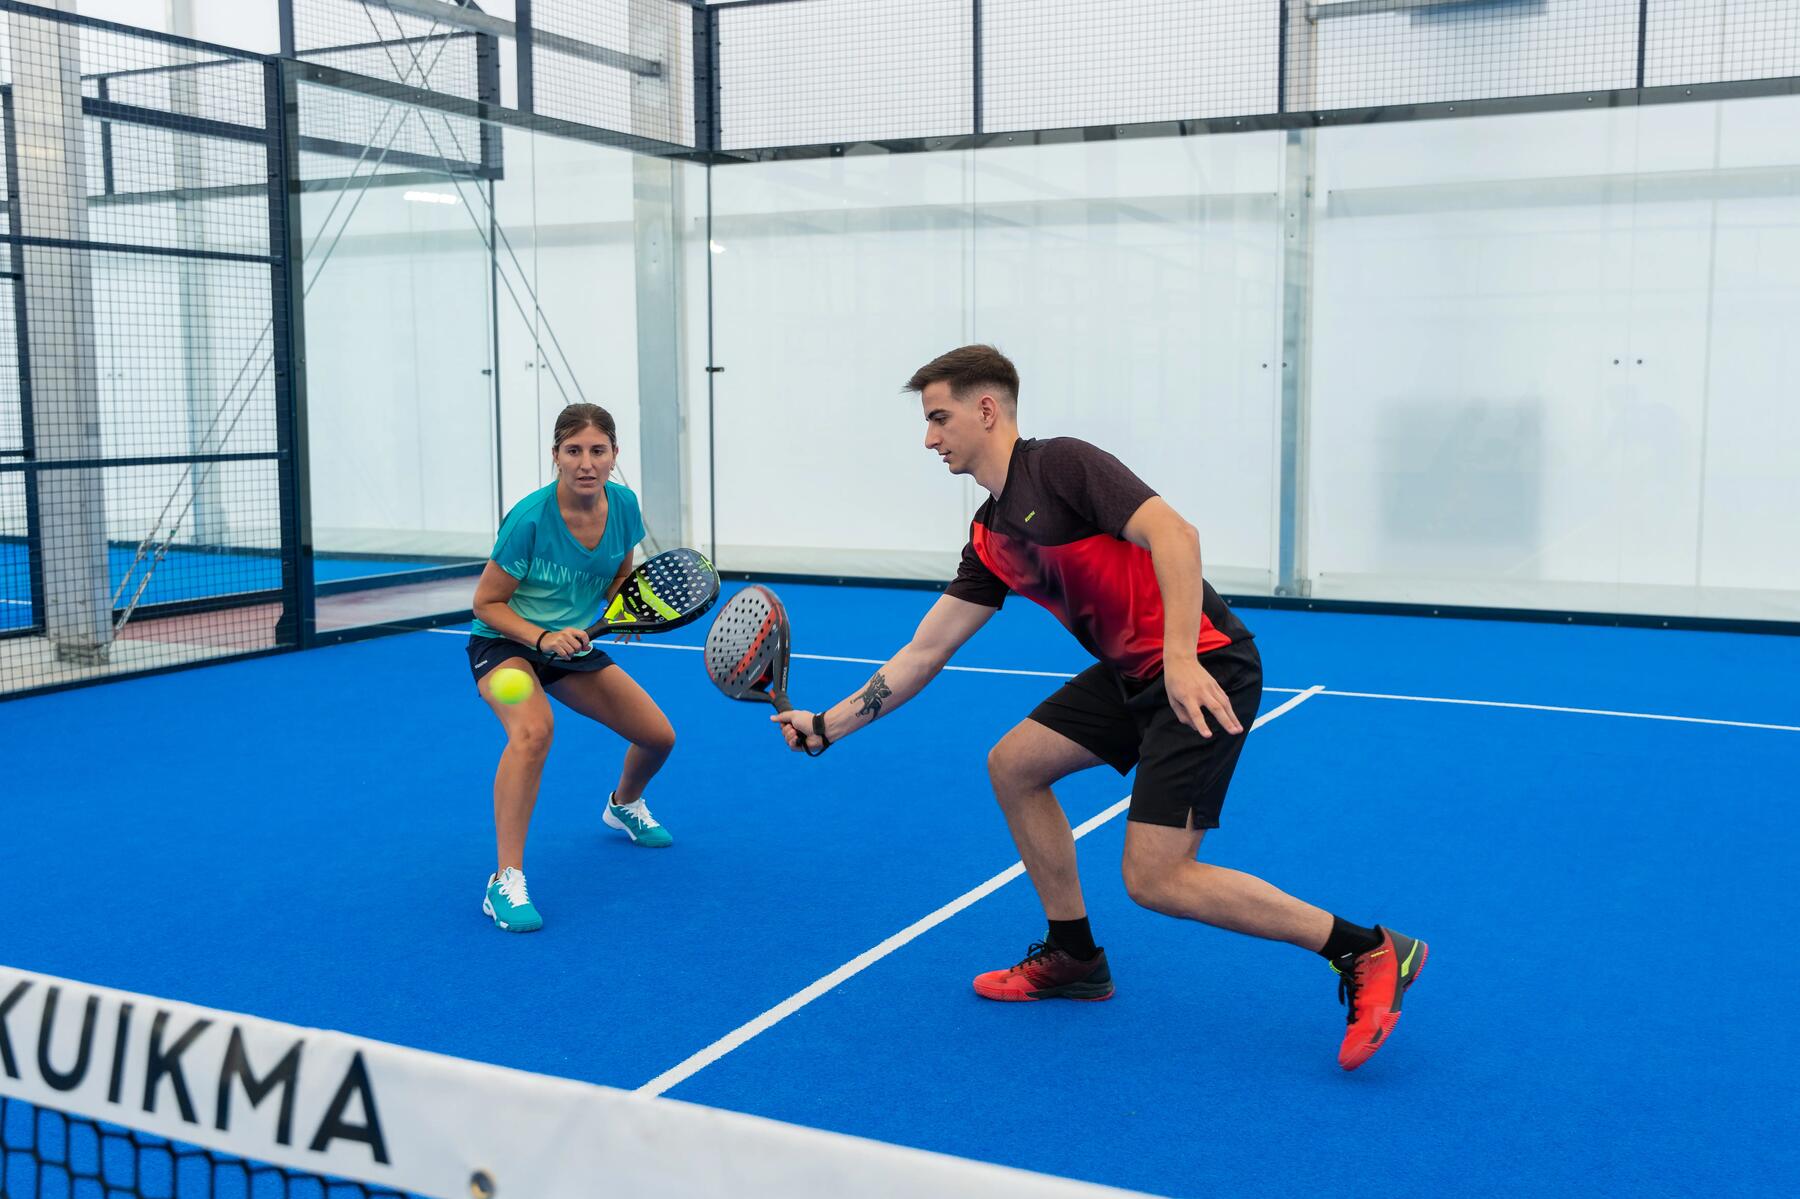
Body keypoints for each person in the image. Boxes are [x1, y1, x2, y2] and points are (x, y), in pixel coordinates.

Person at [772, 346, 1427, 1069]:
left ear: (986, 409)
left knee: (1157, 878)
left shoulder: (1062, 465)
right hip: (1128, 672)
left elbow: (1175, 534)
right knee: (1014, 764)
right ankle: (1074, 955)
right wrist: (828, 725)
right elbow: (923, 653)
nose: (930, 438)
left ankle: (1366, 950)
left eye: (939, 417)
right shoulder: (988, 536)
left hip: (1203, 666)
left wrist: (1179, 659)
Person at [467, 403, 677, 934]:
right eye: (574, 451)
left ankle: (624, 805)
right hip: (506, 648)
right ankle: (505, 880)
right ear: (556, 457)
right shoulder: (530, 519)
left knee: (658, 737)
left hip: (571, 649)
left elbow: (620, 569)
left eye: (597, 451)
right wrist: (541, 636)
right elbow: (486, 604)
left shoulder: (624, 505)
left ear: (614, 456)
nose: (586, 462)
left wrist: (619, 605)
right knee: (534, 732)